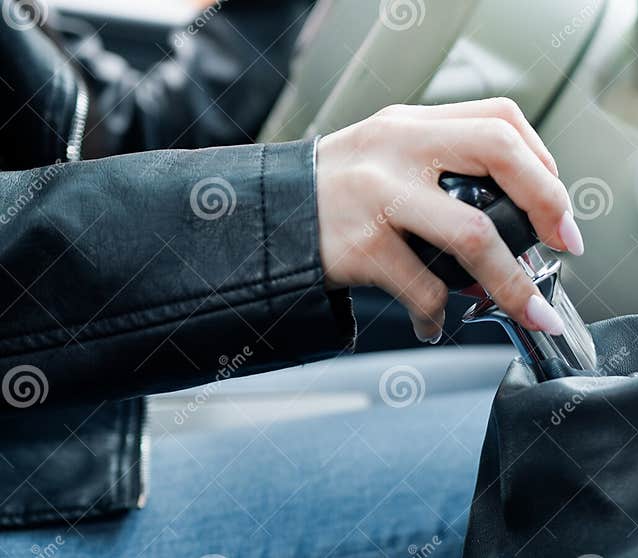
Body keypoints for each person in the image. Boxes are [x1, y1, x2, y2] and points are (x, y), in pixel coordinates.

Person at [0, 1, 582, 555]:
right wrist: (292, 204)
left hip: (53, 427)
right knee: (563, 460)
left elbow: (114, 139)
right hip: (27, 483)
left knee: (490, 380)